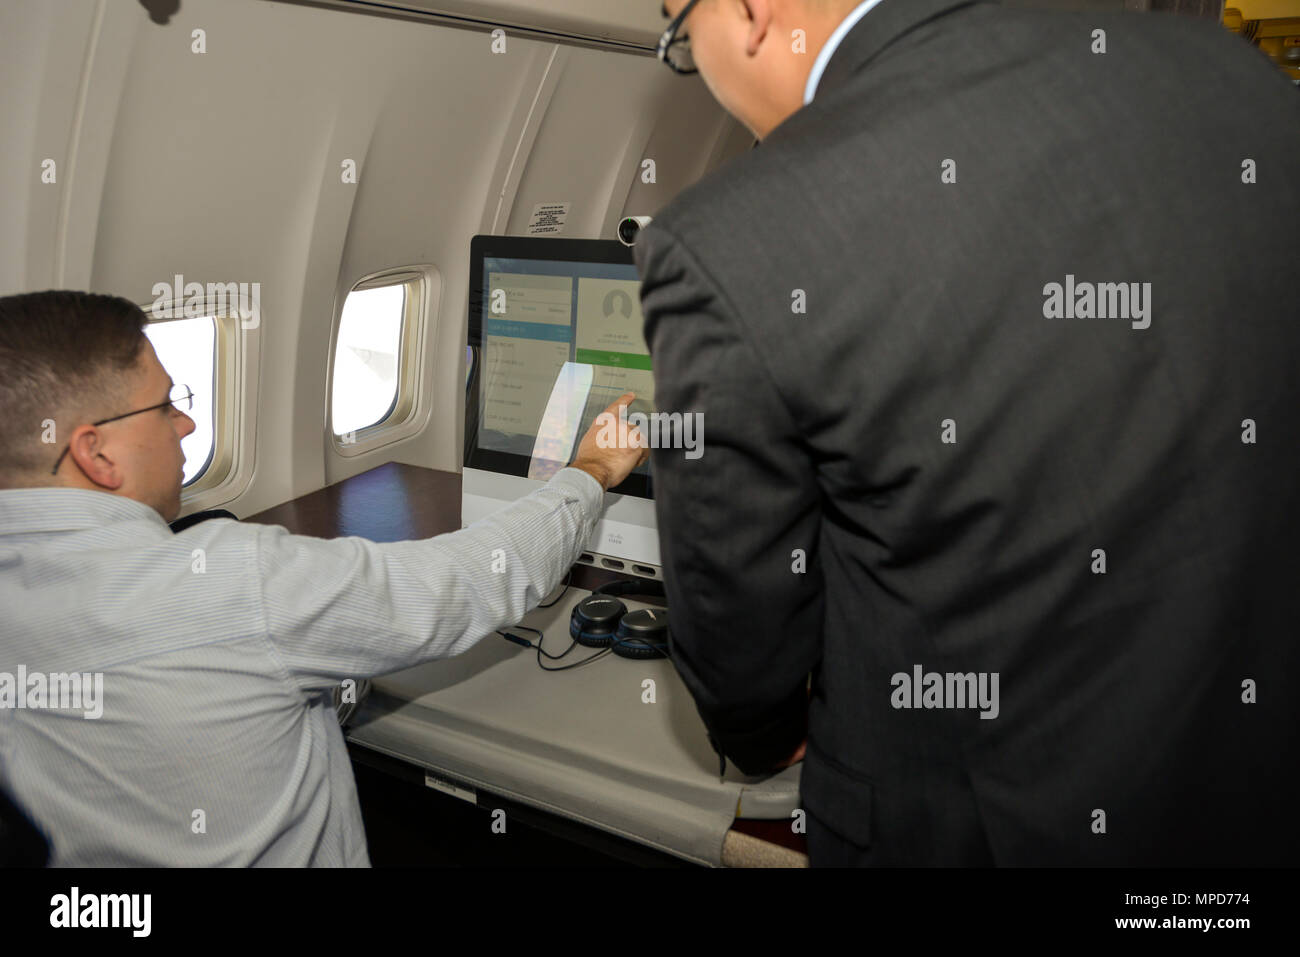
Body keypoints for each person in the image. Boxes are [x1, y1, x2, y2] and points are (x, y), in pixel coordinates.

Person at [637, 0, 1299, 865]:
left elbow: (737, 632)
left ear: (750, 12)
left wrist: (764, 734)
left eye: (682, 43)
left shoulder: (728, 238)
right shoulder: (1232, 72)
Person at [0, 290, 646, 865]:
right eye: (166, 405)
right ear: (95, 451)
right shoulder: (232, 583)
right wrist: (589, 469)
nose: (188, 423)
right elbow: (472, 579)